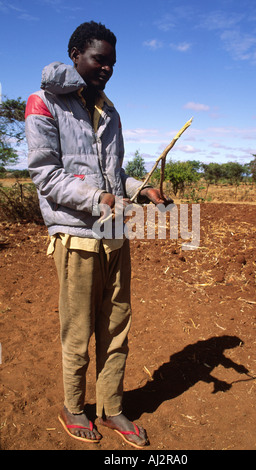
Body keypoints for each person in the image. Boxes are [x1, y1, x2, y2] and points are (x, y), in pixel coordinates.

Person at [25, 21, 171, 448]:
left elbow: (115, 174)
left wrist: (138, 190)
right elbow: (46, 175)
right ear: (75, 53)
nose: (106, 68)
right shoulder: (44, 102)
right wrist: (102, 200)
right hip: (76, 237)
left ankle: (110, 408)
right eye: (98, 59)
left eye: (112, 62)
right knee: (78, 329)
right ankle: (74, 406)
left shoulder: (110, 111)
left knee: (116, 327)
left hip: (114, 235)